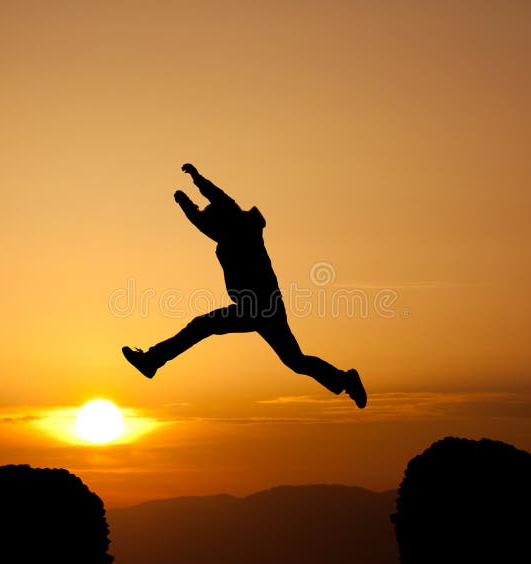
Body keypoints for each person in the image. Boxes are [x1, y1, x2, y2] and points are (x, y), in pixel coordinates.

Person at [122, 164, 367, 408]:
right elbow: (202, 219)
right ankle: (345, 380)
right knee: (295, 360)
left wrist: (196, 181)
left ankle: (152, 360)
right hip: (267, 306)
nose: (210, 231)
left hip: (256, 306)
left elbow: (213, 201)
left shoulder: (239, 227)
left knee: (202, 325)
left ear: (221, 221)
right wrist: (185, 201)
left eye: (212, 225)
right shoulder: (232, 230)